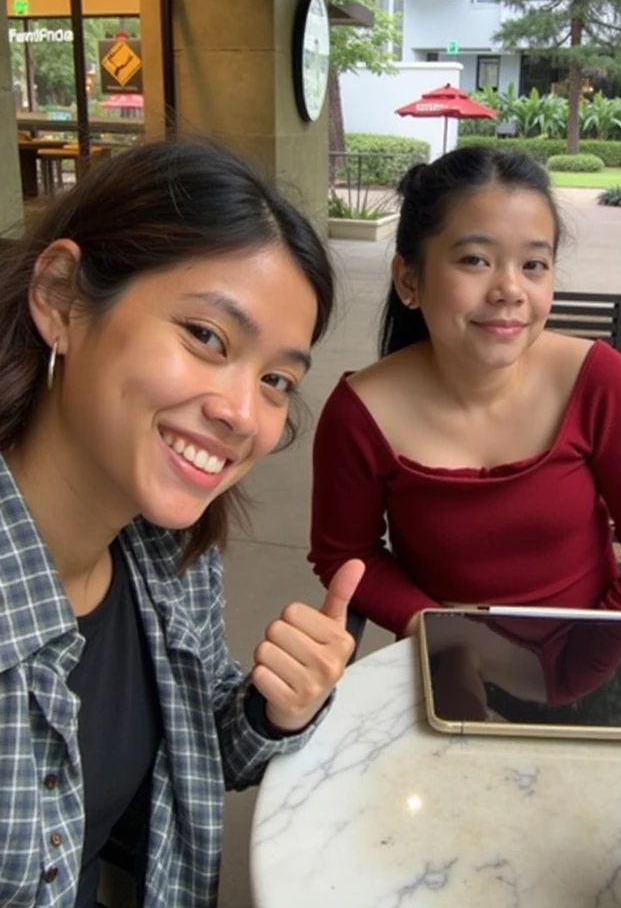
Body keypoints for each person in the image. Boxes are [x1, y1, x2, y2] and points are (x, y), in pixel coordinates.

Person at [0, 138, 363, 908]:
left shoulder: (170, 555)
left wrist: (275, 706)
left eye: (274, 380)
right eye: (206, 336)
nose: (241, 413)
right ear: (63, 298)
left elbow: (192, 743)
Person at [308, 145, 621, 639]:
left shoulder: (598, 382)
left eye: (534, 264)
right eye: (475, 259)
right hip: (449, 671)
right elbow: (346, 553)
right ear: (409, 278)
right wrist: (436, 634)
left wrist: (578, 663)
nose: (510, 289)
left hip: (594, 665)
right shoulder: (361, 413)